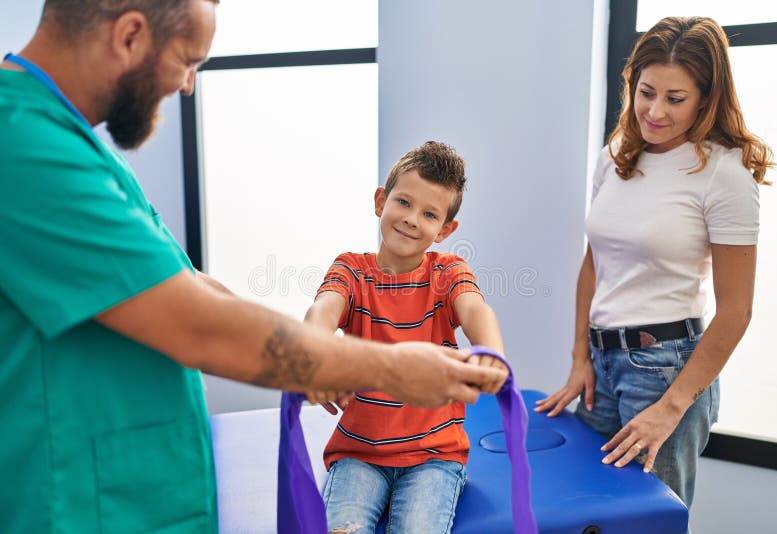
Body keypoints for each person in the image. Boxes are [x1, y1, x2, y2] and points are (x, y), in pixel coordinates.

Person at [0, 2, 507, 532]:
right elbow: (196, 324)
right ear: (130, 35)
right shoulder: (23, 146)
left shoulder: (75, 147)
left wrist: (320, 357)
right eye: (187, 60)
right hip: (69, 505)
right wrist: (383, 368)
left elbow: (187, 286)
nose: (190, 85)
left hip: (120, 499)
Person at [535, 16, 773, 508]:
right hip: (602, 366)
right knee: (586, 513)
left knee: (646, 520)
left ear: (707, 98)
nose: (655, 111)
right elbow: (593, 264)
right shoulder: (617, 155)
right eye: (646, 92)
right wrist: (580, 357)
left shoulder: (724, 175)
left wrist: (672, 408)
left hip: (665, 371)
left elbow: (736, 311)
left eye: (675, 98)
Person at [301, 141, 509, 534]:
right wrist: (312, 353)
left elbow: (475, 309)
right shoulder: (350, 269)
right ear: (381, 201)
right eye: (403, 203)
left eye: (429, 214)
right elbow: (324, 309)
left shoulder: (447, 272)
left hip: (434, 457)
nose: (412, 219)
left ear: (445, 230)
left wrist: (491, 352)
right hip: (359, 454)